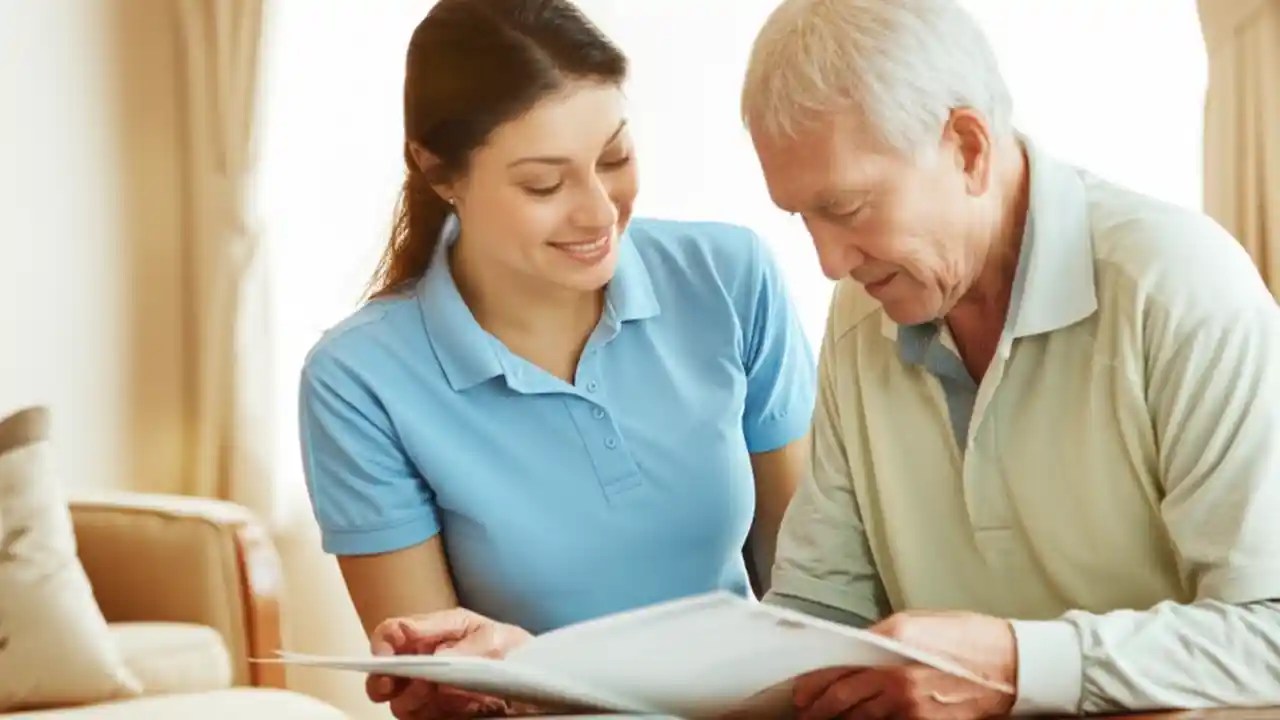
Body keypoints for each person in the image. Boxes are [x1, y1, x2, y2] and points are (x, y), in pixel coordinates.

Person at [737, 0, 1280, 718]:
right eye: (802, 218)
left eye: (847, 207)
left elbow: (1269, 630)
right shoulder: (861, 315)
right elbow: (821, 611)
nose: (830, 262)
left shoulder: (1177, 284)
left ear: (967, 147)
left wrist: (1019, 666)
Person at [295, 0, 815, 717]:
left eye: (615, 158)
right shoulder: (359, 380)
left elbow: (812, 593)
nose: (600, 212)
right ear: (441, 172)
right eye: (545, 184)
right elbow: (447, 687)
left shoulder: (728, 278)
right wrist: (474, 691)